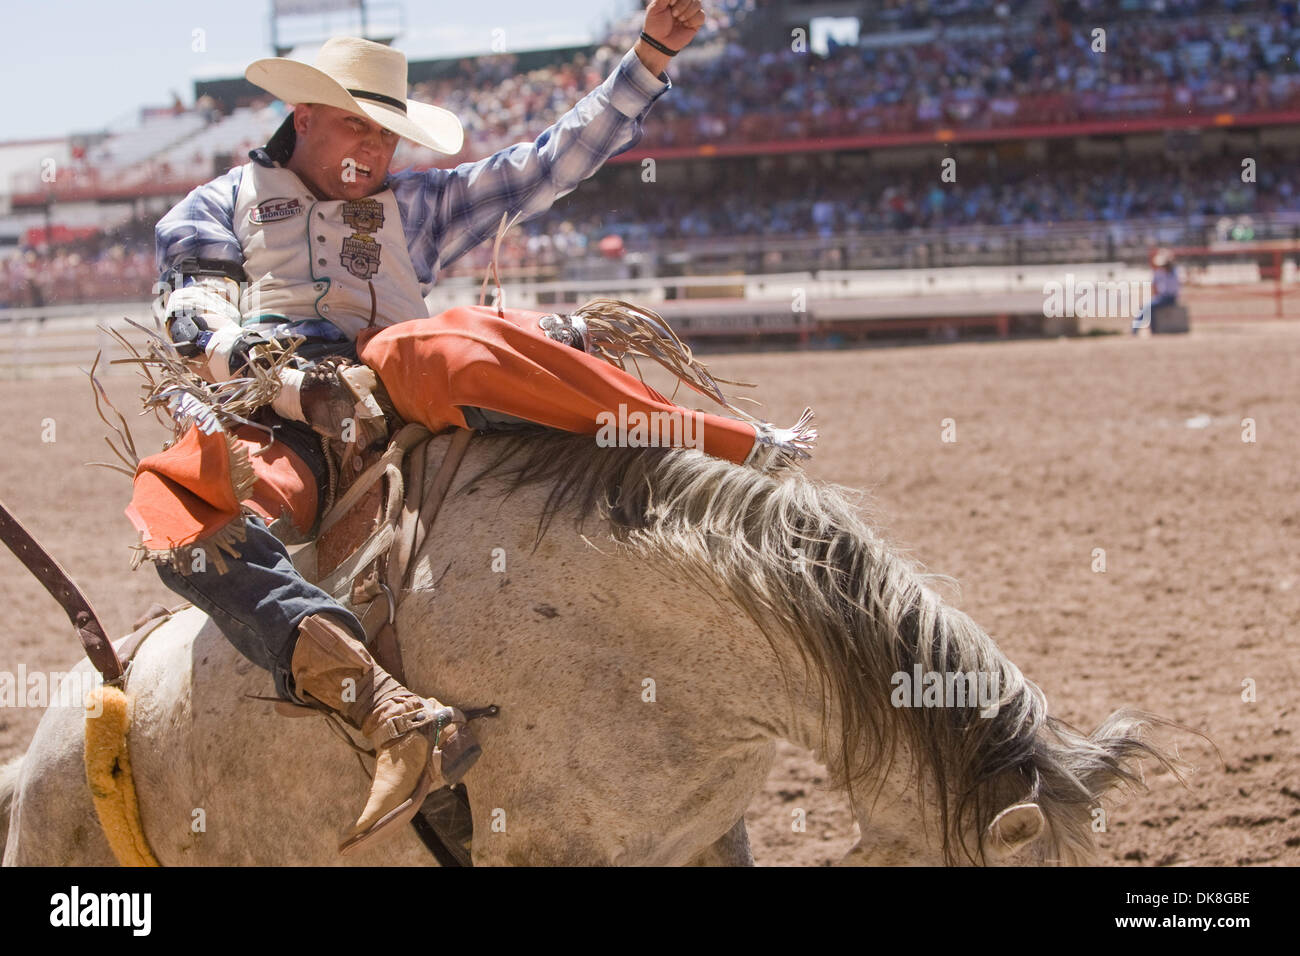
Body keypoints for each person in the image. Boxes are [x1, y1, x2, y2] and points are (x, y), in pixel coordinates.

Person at [127, 3, 811, 856]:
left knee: (448, 345)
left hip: (405, 391)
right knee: (185, 517)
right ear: (301, 118)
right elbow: (193, 317)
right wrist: (286, 378)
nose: (374, 154)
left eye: (387, 137)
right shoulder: (218, 206)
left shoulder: (416, 205)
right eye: (355, 128)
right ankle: (375, 703)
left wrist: (650, 56)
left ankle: (706, 448)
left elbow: (548, 163)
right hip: (280, 419)